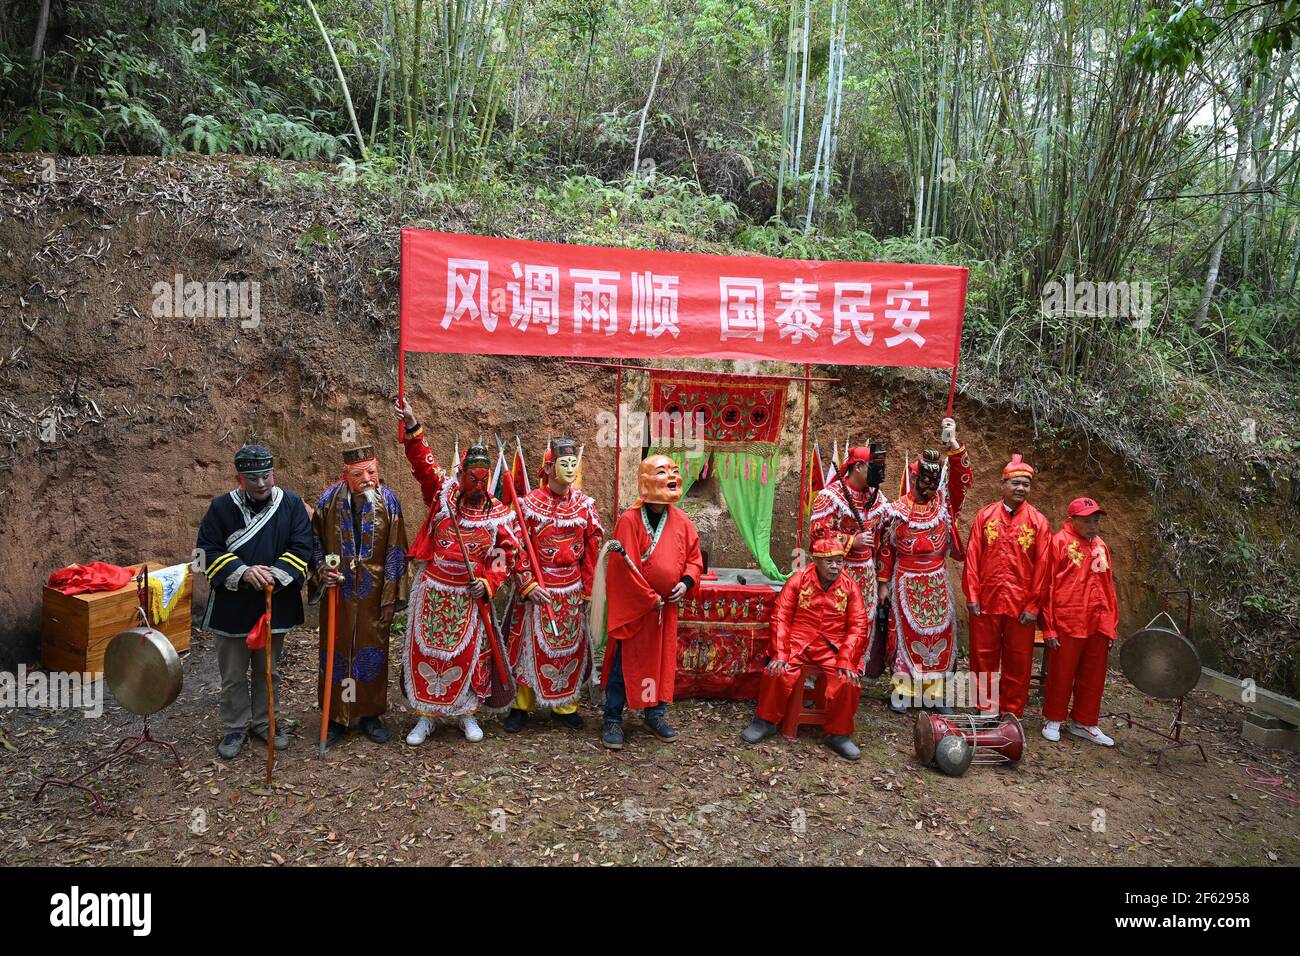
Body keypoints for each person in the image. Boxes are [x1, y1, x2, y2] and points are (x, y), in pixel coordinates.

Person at [395, 397, 540, 744]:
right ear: (460, 475)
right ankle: (427, 716)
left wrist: (489, 583)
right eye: (471, 478)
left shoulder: (498, 513)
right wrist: (412, 424)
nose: (477, 485)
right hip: (434, 590)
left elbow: (505, 553)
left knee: (471, 654)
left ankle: (466, 714)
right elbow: (423, 463)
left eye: (483, 479)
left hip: (470, 597)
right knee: (428, 652)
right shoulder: (442, 494)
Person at [196, 444, 313, 759]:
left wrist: (274, 574)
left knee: (268, 670)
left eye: (266, 476)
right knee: (233, 674)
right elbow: (204, 551)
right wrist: (243, 572)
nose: (261, 484)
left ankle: (266, 722)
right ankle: (234, 726)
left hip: (273, 600)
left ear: (273, 474)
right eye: (253, 478)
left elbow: (303, 545)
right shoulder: (221, 508)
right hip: (231, 605)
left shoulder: (291, 504)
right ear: (240, 478)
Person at [599, 454, 703, 751]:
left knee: (660, 663)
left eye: (674, 471)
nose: (671, 477)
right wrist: (648, 598)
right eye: (662, 472)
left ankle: (654, 715)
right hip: (637, 610)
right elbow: (622, 570)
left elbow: (694, 560)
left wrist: (686, 583)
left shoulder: (682, 521)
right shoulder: (629, 520)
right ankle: (612, 718)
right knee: (624, 664)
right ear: (645, 481)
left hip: (665, 611)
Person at [309, 445, 409, 747]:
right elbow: (314, 544)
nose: (367, 479)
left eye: (371, 472)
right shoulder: (328, 501)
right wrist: (321, 572)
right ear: (346, 475)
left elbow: (395, 550)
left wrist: (390, 597)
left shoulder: (389, 501)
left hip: (374, 594)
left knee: (372, 651)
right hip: (337, 591)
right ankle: (336, 716)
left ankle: (369, 714)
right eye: (359, 474)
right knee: (336, 651)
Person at [503, 437, 604, 733]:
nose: (570, 469)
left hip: (571, 588)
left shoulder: (585, 506)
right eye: (564, 463)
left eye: (574, 463)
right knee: (528, 647)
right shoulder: (528, 505)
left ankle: (565, 706)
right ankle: (521, 706)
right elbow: (516, 547)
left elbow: (591, 551)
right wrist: (527, 584)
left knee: (569, 648)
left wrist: (588, 590)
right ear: (548, 468)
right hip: (539, 588)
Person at [741, 530, 868, 760]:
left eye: (839, 561)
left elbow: (858, 625)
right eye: (829, 561)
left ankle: (838, 734)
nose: (835, 567)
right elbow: (780, 616)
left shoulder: (850, 586)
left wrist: (847, 659)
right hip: (798, 641)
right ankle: (765, 721)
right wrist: (781, 652)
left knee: (847, 679)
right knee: (777, 670)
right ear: (816, 561)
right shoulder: (798, 579)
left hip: (833, 646)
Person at [878, 418, 971, 712]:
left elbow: (961, 481)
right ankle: (903, 692)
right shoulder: (897, 510)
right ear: (914, 478)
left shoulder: (944, 505)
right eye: (925, 480)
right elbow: (886, 548)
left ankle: (935, 694)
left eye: (935, 480)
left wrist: (953, 444)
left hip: (936, 581)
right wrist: (883, 583)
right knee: (904, 636)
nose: (931, 485)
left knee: (938, 634)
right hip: (905, 580)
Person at [962, 454, 1052, 716]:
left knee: (1018, 659)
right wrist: (972, 595)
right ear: (1003, 484)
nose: (1020, 488)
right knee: (982, 655)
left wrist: (1034, 606)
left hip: (1021, 604)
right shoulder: (985, 516)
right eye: (1015, 483)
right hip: (986, 600)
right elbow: (972, 557)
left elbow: (1043, 567)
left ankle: (1011, 710)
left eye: (1026, 484)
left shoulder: (1038, 522)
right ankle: (984, 706)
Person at [1041, 497, 1120, 746]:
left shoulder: (1101, 546)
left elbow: (1109, 587)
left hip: (1098, 621)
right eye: (1087, 520)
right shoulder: (1059, 542)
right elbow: (1047, 586)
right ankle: (1054, 719)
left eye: (1096, 520)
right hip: (1068, 619)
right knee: (1062, 673)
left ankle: (1085, 722)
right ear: (1072, 519)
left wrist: (1111, 624)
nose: (1093, 525)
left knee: (1093, 676)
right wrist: (1049, 627)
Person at [809, 444, 890, 654]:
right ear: (859, 467)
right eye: (874, 466)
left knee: (862, 624)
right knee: (836, 623)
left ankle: (856, 667)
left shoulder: (877, 498)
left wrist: (883, 581)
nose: (879, 472)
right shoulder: (831, 496)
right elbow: (818, 533)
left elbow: (885, 539)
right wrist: (851, 541)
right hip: (838, 573)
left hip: (867, 574)